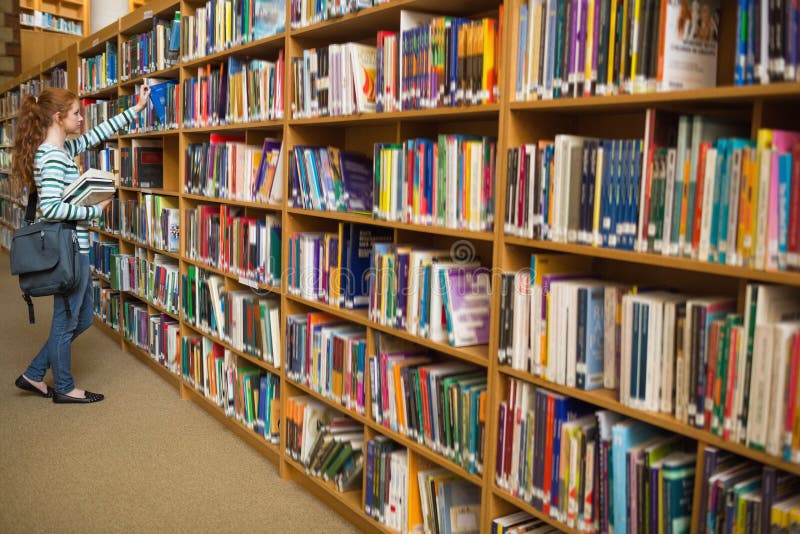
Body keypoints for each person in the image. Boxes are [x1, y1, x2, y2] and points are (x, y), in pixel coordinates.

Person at [12, 84, 150, 404]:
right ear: (59, 118)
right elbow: (51, 208)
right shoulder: (53, 157)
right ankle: (64, 386)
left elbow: (96, 134)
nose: (82, 118)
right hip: (68, 251)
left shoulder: (60, 151)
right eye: (76, 113)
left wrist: (136, 110)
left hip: (76, 247)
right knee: (67, 318)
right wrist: (93, 210)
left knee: (83, 316)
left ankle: (34, 374)